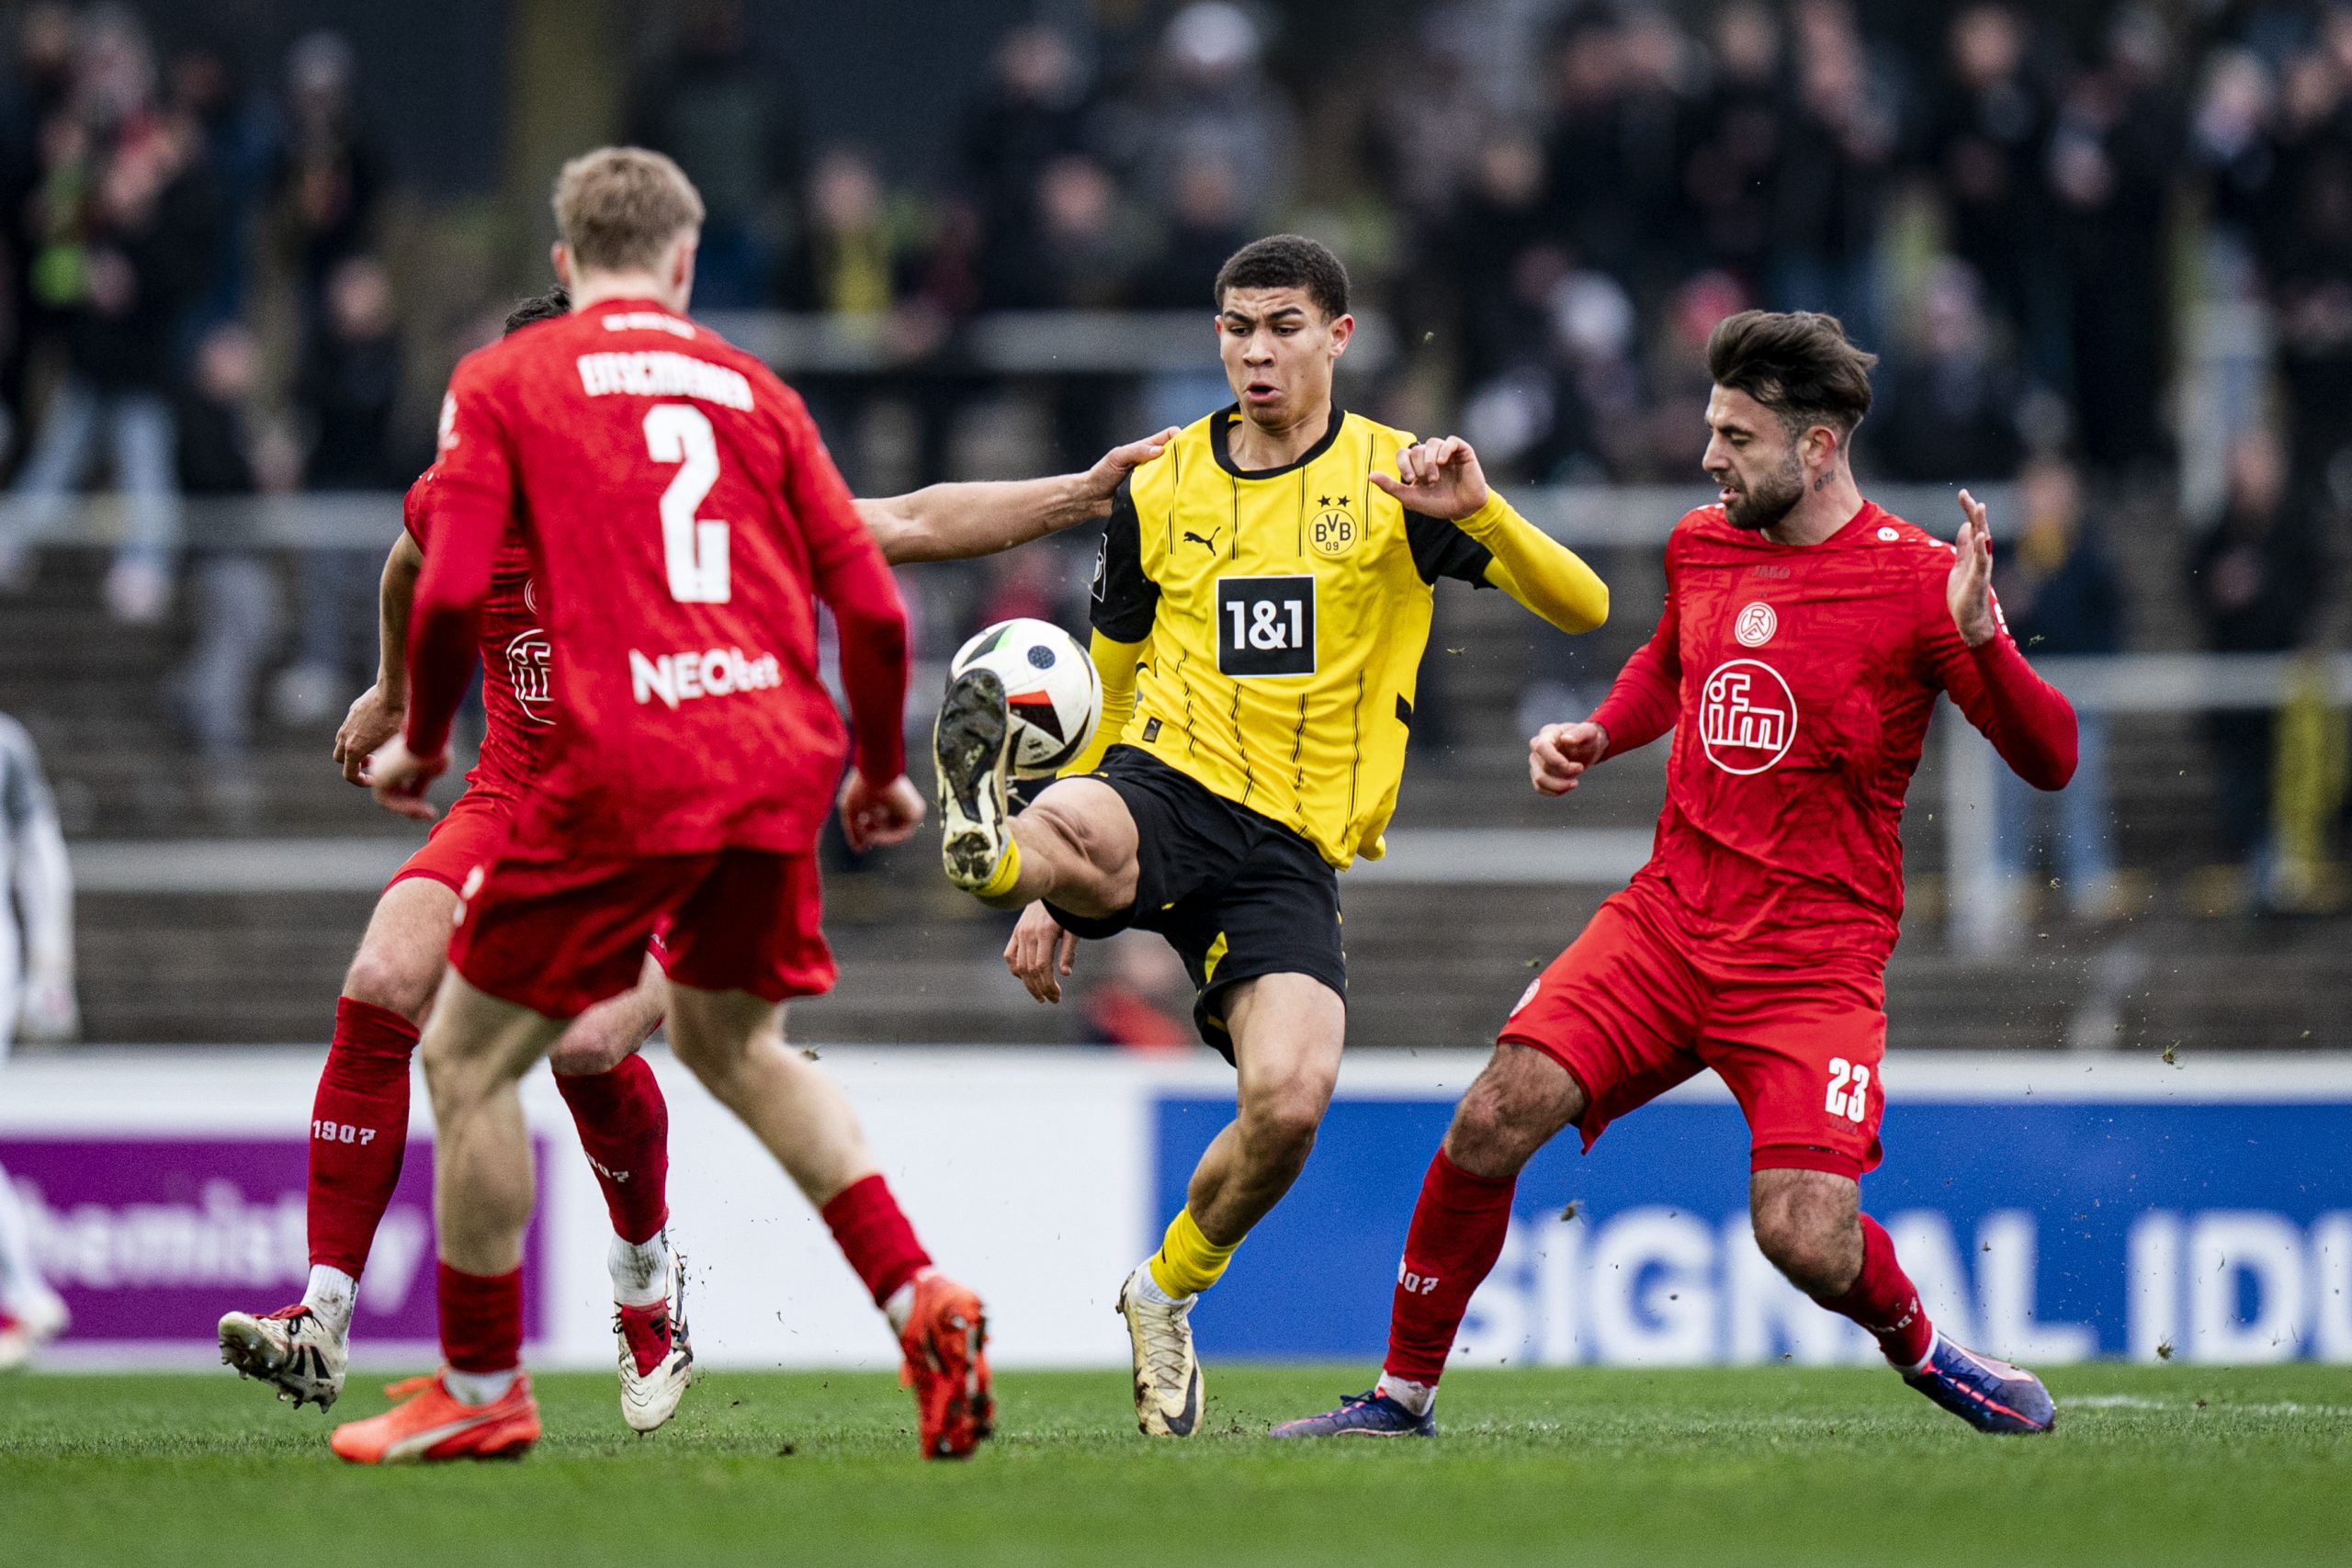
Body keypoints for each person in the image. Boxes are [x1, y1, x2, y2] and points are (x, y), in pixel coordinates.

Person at [328, 148, 1163, 1466]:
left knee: (467, 1056)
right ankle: (918, 1295)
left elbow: (436, 582)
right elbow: (886, 561)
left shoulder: (504, 384)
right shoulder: (748, 392)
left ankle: (482, 1384)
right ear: (682, 267)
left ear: (564, 263)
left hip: (623, 759)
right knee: (740, 1051)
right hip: (773, 755)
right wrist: (885, 764)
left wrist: (418, 732)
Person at [1271, 310, 2078, 1440]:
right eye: (1711, 429)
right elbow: (1672, 660)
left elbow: (2053, 762)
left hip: (1811, 960)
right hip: (1667, 923)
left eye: (1736, 437)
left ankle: (1927, 1351)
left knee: (1804, 1234)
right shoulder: (1703, 543)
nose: (1709, 457)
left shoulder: (1920, 586)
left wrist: (1986, 639)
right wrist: (1601, 731)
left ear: (1816, 447)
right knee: (1491, 1119)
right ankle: (1399, 1398)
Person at [929, 234, 1611, 1438]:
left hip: (1289, 853)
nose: (1256, 350)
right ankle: (1000, 843)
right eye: (1238, 327)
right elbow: (1110, 684)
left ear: (1338, 338)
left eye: (1283, 326)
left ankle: (1163, 1288)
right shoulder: (1161, 482)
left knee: (1291, 1101)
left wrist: (1486, 511)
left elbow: (1585, 604)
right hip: (1162, 786)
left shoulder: (1404, 478)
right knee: (1083, 809)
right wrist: (1047, 891)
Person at [0, 711, 75, 1370]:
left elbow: (41, 855)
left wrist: (50, 963)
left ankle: (24, 1291)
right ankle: (23, 1293)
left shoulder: (6, 745)